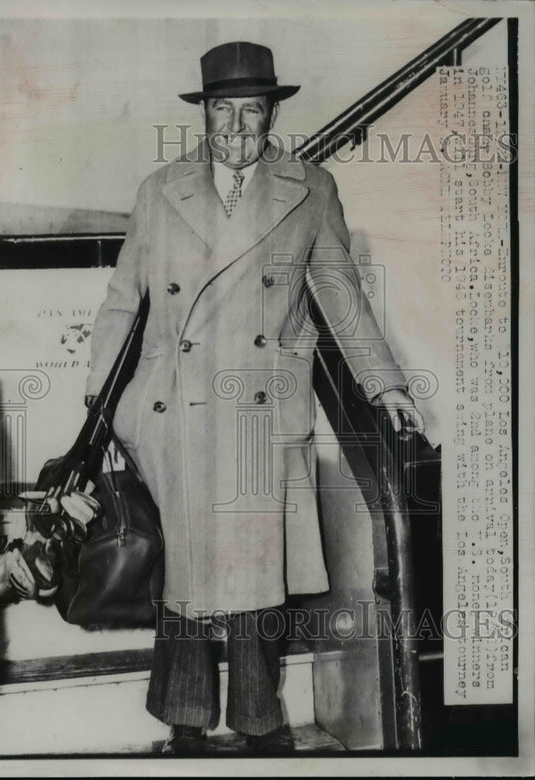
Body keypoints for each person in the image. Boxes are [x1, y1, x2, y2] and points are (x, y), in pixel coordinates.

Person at [84, 41, 424, 755]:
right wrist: (104, 406)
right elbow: (122, 303)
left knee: (254, 577)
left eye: (252, 109)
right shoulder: (159, 189)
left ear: (271, 114)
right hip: (172, 410)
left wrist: (385, 384)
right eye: (222, 109)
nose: (237, 125)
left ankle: (260, 719)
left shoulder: (310, 187)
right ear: (203, 114)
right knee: (182, 574)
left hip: (260, 410)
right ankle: (183, 717)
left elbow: (340, 296)